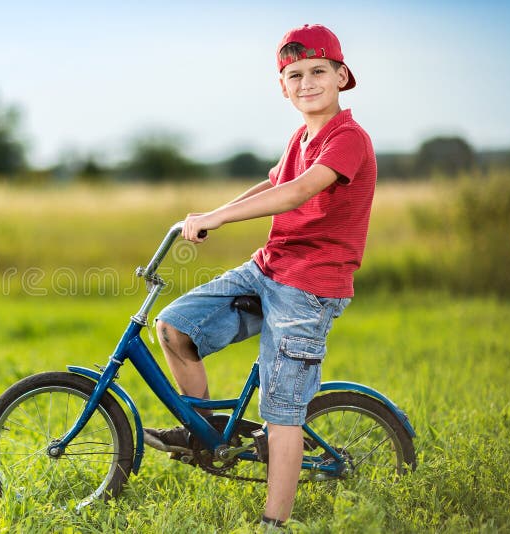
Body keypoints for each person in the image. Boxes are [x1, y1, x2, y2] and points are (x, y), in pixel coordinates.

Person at [142, 23, 376, 528]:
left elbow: (297, 193)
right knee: (175, 325)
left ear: (341, 76)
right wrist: (210, 212)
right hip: (269, 268)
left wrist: (220, 220)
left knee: (283, 409)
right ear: (283, 86)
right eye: (295, 75)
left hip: (309, 287)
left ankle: (274, 523)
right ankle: (204, 434)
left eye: (318, 71)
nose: (307, 82)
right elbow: (273, 183)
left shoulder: (348, 139)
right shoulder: (301, 137)